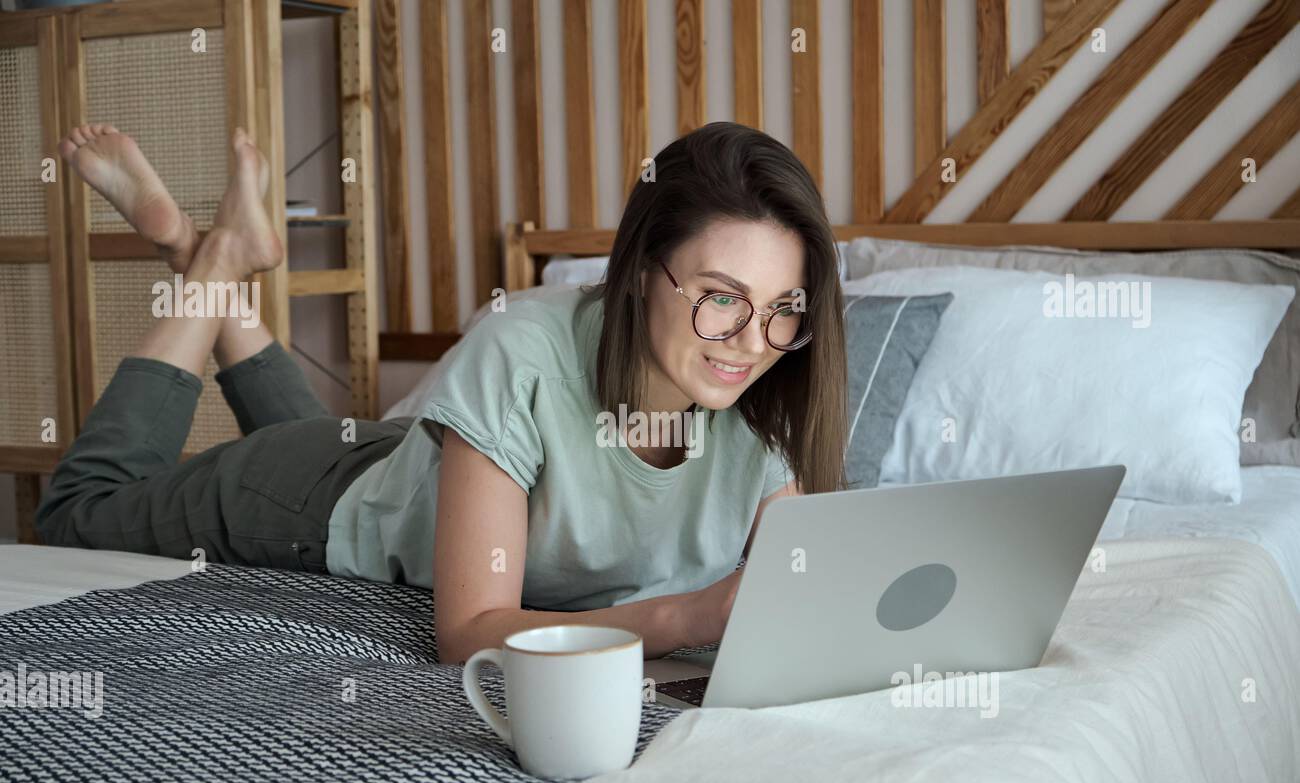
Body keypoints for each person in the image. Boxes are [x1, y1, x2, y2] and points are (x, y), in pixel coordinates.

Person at [37, 120, 847, 664]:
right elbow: (469, 632)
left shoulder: (771, 401)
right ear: (639, 273)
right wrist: (688, 618)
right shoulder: (524, 354)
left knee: (353, 445)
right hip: (311, 507)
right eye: (722, 297)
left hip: (422, 472)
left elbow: (797, 590)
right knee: (76, 514)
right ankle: (209, 259)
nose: (752, 341)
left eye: (783, 309)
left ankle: (206, 251)